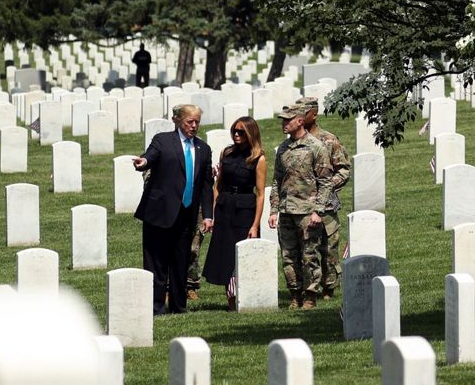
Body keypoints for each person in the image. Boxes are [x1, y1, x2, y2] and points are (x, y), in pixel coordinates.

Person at [132, 103, 214, 315]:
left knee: (180, 262)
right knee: (156, 262)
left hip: (186, 214)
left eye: (197, 121)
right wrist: (143, 162)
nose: (194, 126)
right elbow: (150, 156)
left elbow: (206, 185)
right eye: (189, 121)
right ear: (177, 120)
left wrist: (208, 215)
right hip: (159, 212)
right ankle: (156, 306)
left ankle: (179, 306)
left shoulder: (203, 149)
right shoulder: (163, 140)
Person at [267, 102, 334, 310]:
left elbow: (325, 182)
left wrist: (318, 211)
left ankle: (310, 295)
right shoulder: (283, 149)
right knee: (288, 255)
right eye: (283, 121)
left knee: (309, 255)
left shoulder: (316, 147)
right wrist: (273, 209)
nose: (284, 124)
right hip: (287, 210)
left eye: (288, 120)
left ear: (299, 121)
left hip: (308, 211)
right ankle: (294, 294)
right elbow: (277, 180)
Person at [202, 116, 268, 310]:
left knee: (241, 252)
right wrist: (212, 213)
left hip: (245, 208)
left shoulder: (258, 158)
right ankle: (230, 298)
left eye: (241, 132)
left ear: (250, 133)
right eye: (234, 131)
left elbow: (261, 193)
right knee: (224, 252)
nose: (237, 135)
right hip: (225, 206)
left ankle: (242, 295)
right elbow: (218, 185)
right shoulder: (227, 153)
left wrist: (255, 225)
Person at [298, 97, 351, 300]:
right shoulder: (294, 141)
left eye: (305, 112)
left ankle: (329, 287)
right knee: (305, 249)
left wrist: (326, 187)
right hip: (301, 205)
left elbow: (343, 170)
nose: (300, 116)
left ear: (314, 114)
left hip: (327, 204)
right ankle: (307, 288)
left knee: (329, 249)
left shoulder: (328, 140)